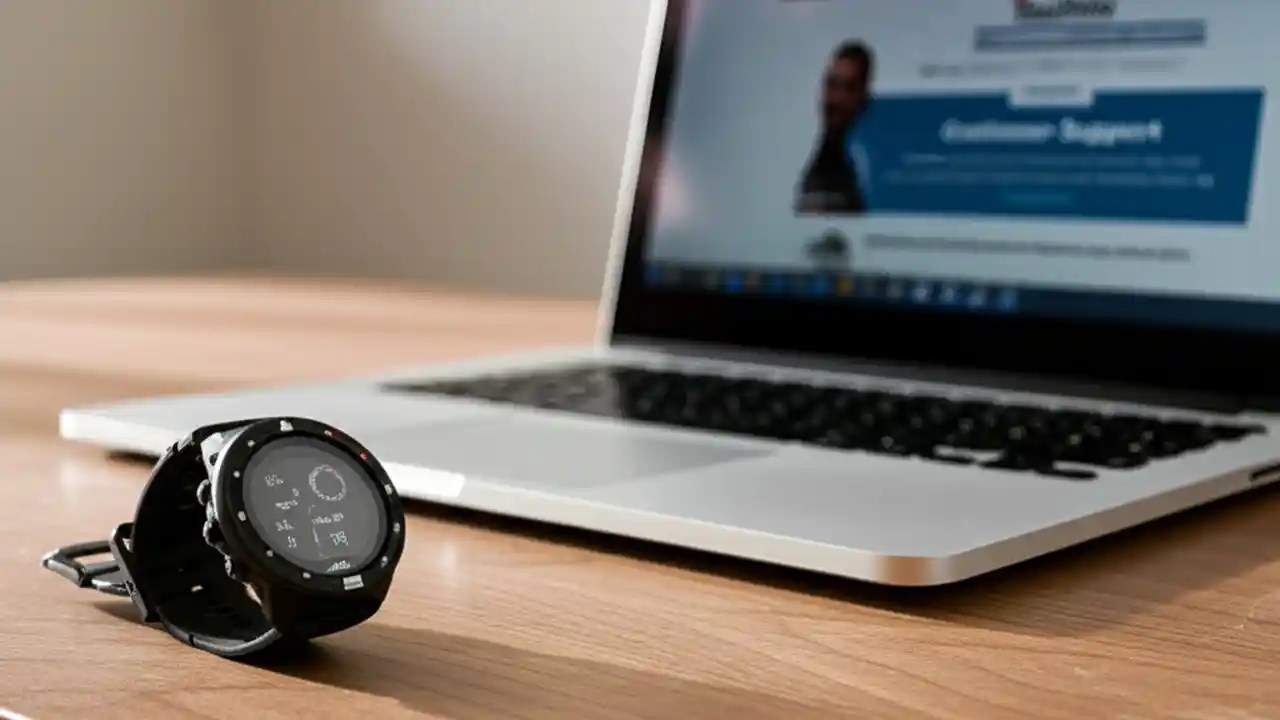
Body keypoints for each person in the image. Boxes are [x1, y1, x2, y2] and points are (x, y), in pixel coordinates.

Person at [796, 41, 875, 216]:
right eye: (832, 84)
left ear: (864, 95)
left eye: (849, 88)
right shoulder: (820, 149)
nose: (836, 99)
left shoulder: (866, 159)